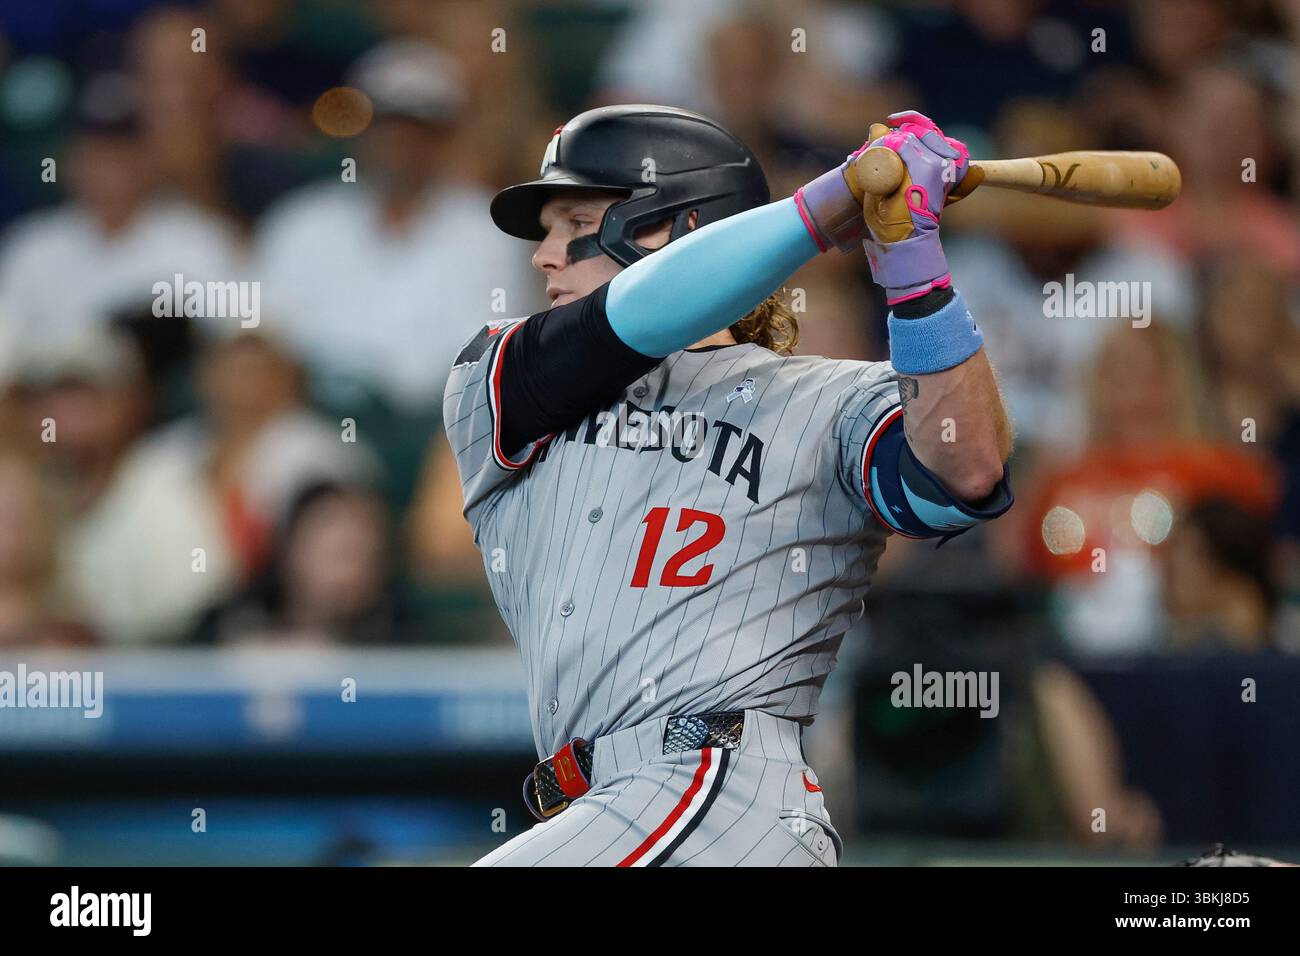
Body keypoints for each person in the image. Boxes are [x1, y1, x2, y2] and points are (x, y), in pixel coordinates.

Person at [444, 105, 1014, 866]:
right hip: (594, 811)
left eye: (575, 221)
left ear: (681, 227)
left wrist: (913, 261)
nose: (544, 256)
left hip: (720, 794)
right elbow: (633, 318)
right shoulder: (499, 383)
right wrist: (829, 203)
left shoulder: (829, 401)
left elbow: (966, 468)